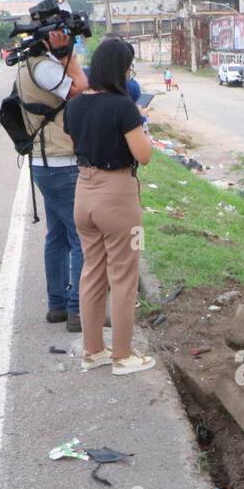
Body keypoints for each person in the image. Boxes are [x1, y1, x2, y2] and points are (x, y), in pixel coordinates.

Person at [64, 38, 156, 376]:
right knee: (123, 276)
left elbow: (79, 144)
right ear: (121, 69)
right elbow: (143, 156)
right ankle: (122, 355)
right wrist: (142, 125)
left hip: (83, 194)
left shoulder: (74, 106)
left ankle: (93, 352)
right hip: (117, 197)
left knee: (92, 273)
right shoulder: (123, 107)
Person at [16, 29, 89, 330]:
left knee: (57, 236)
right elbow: (81, 87)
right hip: (60, 163)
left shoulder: (29, 65)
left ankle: (57, 305)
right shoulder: (45, 67)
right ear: (48, 40)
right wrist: (65, 54)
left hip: (46, 162)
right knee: (81, 238)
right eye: (59, 34)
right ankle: (77, 310)